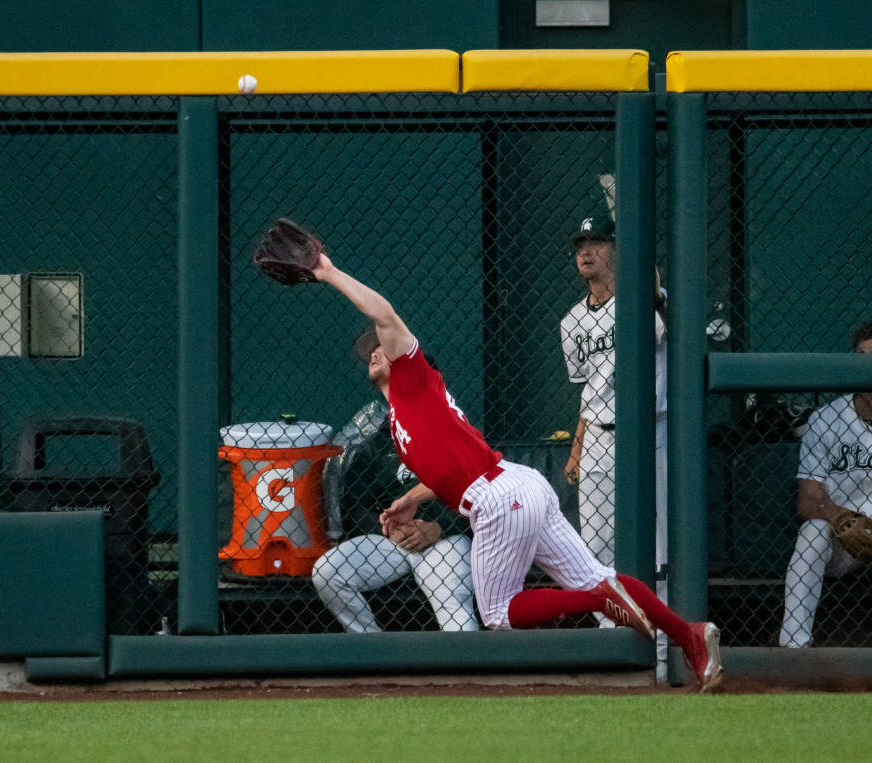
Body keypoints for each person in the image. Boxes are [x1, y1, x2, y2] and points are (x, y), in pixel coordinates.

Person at [309, 247, 722, 691]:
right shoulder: (400, 419)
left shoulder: (414, 380)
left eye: (379, 349)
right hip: (519, 484)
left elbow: (385, 315)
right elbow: (455, 467)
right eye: (368, 353)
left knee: (499, 614)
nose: (374, 352)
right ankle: (690, 636)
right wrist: (411, 498)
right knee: (602, 576)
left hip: (499, 499)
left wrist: (329, 273)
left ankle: (597, 600)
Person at [559, 212, 670, 676]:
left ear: (618, 251)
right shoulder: (570, 322)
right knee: (598, 549)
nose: (587, 251)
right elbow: (590, 390)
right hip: (600, 438)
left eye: (598, 242)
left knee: (661, 549)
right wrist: (577, 446)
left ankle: (664, 652)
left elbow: (658, 299)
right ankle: (613, 649)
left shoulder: (641, 301)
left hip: (653, 432)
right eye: (580, 244)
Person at [779, 320, 872, 647]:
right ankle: (793, 646)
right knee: (812, 533)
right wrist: (839, 517)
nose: (866, 364)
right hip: (842, 540)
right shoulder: (825, 419)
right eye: (860, 356)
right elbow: (806, 500)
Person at [312, 356, 478, 633]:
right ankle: (374, 654)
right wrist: (389, 528)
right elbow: (354, 504)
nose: (375, 356)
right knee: (327, 572)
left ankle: (466, 673)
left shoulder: (454, 425)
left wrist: (439, 527)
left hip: (444, 537)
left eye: (386, 353)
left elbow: (482, 496)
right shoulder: (379, 439)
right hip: (392, 541)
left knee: (453, 605)